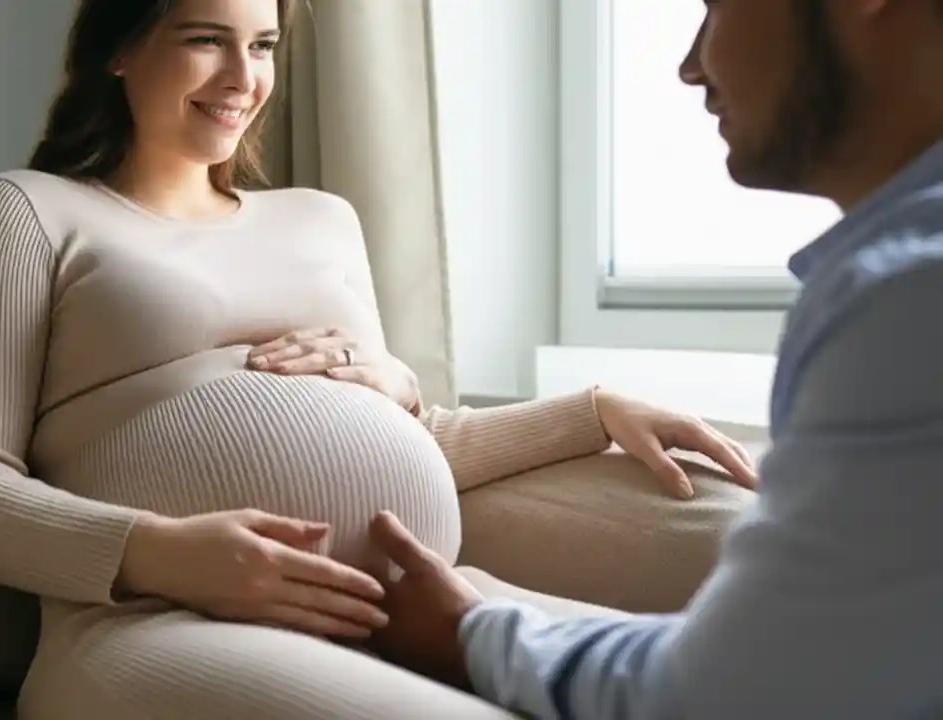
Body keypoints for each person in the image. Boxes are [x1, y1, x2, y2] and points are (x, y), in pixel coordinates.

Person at [0, 0, 757, 717]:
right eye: (206, 38)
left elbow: (422, 440)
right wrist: (161, 551)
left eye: (264, 44)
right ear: (120, 48)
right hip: (155, 623)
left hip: (403, 606)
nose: (244, 78)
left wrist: (592, 411)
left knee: (710, 688)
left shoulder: (320, 219)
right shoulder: (30, 212)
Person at [368, 0, 943, 718]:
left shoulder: (909, 299)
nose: (691, 66)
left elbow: (732, 691)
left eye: (717, 8)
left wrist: (473, 634)